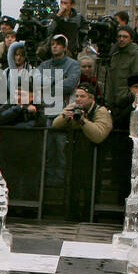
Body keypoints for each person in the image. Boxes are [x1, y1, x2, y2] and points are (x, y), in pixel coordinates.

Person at [52, 81, 113, 220]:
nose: (78, 99)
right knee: (72, 187)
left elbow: (99, 135)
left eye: (82, 96)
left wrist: (83, 121)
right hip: (75, 154)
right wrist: (64, 116)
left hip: (93, 155)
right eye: (77, 96)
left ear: (91, 98)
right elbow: (55, 125)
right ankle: (70, 216)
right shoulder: (73, 107)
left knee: (90, 189)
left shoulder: (100, 111)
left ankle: (89, 216)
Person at [104, 25, 138, 110]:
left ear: (131, 39)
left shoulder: (137, 55)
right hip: (114, 101)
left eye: (125, 37)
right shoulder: (114, 55)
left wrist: (130, 97)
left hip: (128, 101)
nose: (121, 39)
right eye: (119, 36)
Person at [37, 34, 81, 112]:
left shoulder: (74, 65)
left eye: (58, 44)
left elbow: (69, 85)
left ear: (65, 48)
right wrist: (57, 81)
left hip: (63, 108)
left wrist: (47, 85)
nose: (54, 46)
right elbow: (36, 80)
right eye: (52, 44)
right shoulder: (44, 64)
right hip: (43, 106)